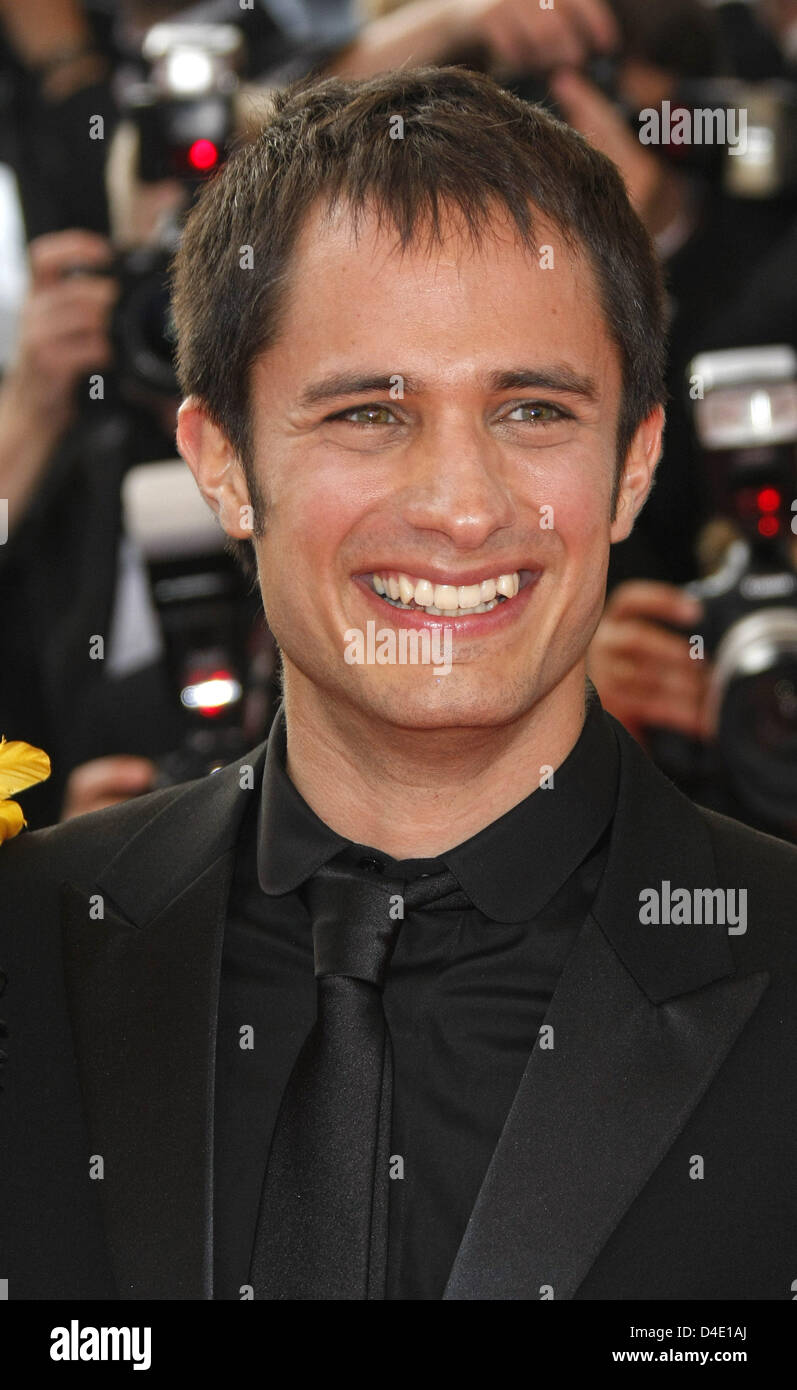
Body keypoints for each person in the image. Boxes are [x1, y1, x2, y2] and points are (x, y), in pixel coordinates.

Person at [2, 64, 797, 1302]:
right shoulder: (26, 946)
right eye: (370, 412)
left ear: (635, 465)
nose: (462, 507)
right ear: (220, 461)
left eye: (531, 409)